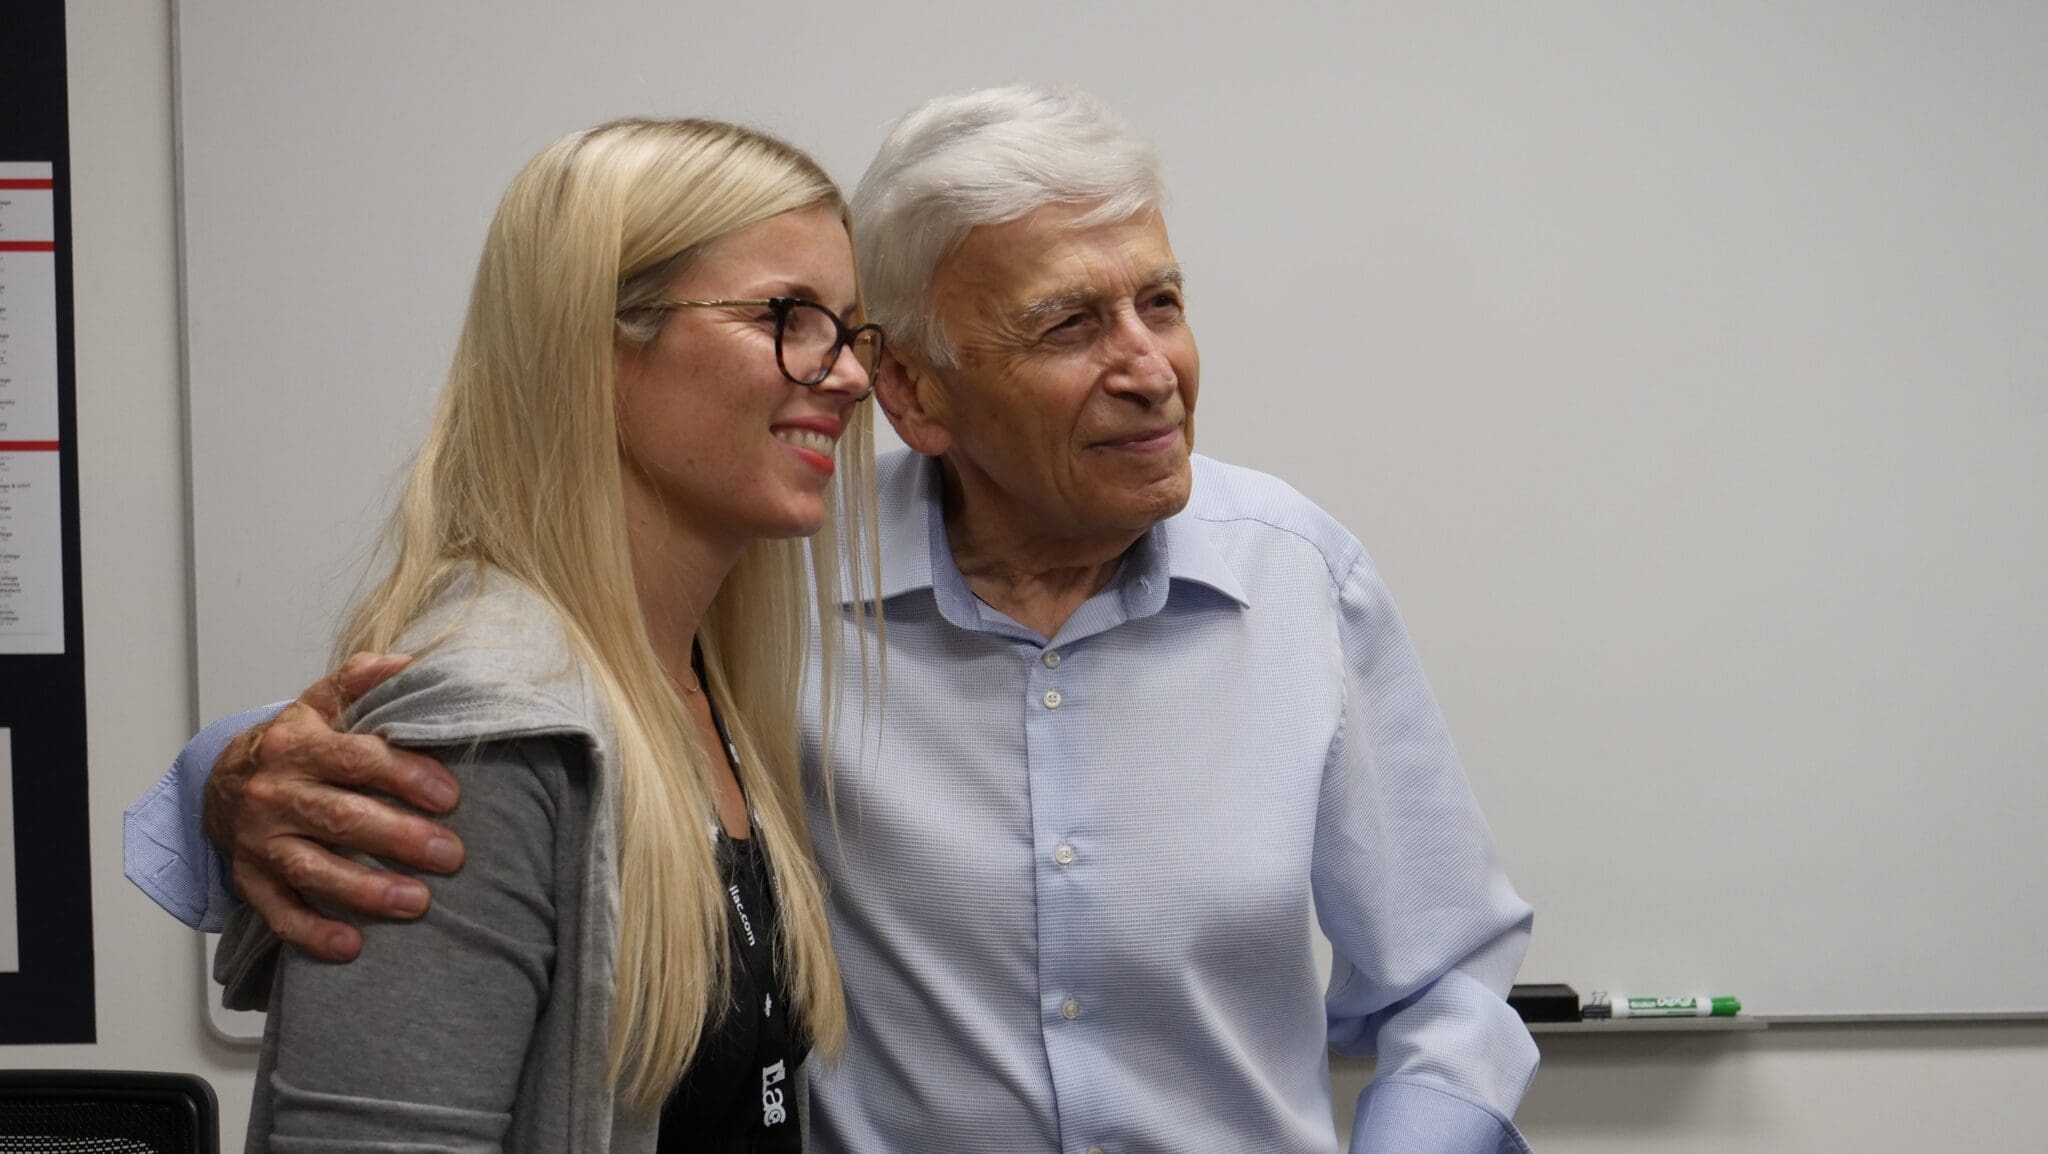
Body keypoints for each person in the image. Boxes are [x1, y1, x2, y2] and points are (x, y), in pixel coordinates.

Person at [129, 86, 1538, 1153]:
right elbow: (514, 723)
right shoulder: (775, 586)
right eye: (1067, 325)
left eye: (1160, 302)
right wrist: (235, 776)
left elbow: (1447, 981)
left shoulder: (1298, 578)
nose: (1149, 370)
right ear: (919, 395)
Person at [167, 116, 888, 1152]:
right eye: (787, 315)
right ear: (591, 341)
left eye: (848, 329)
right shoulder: (483, 738)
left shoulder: (701, 688)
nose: (848, 376)